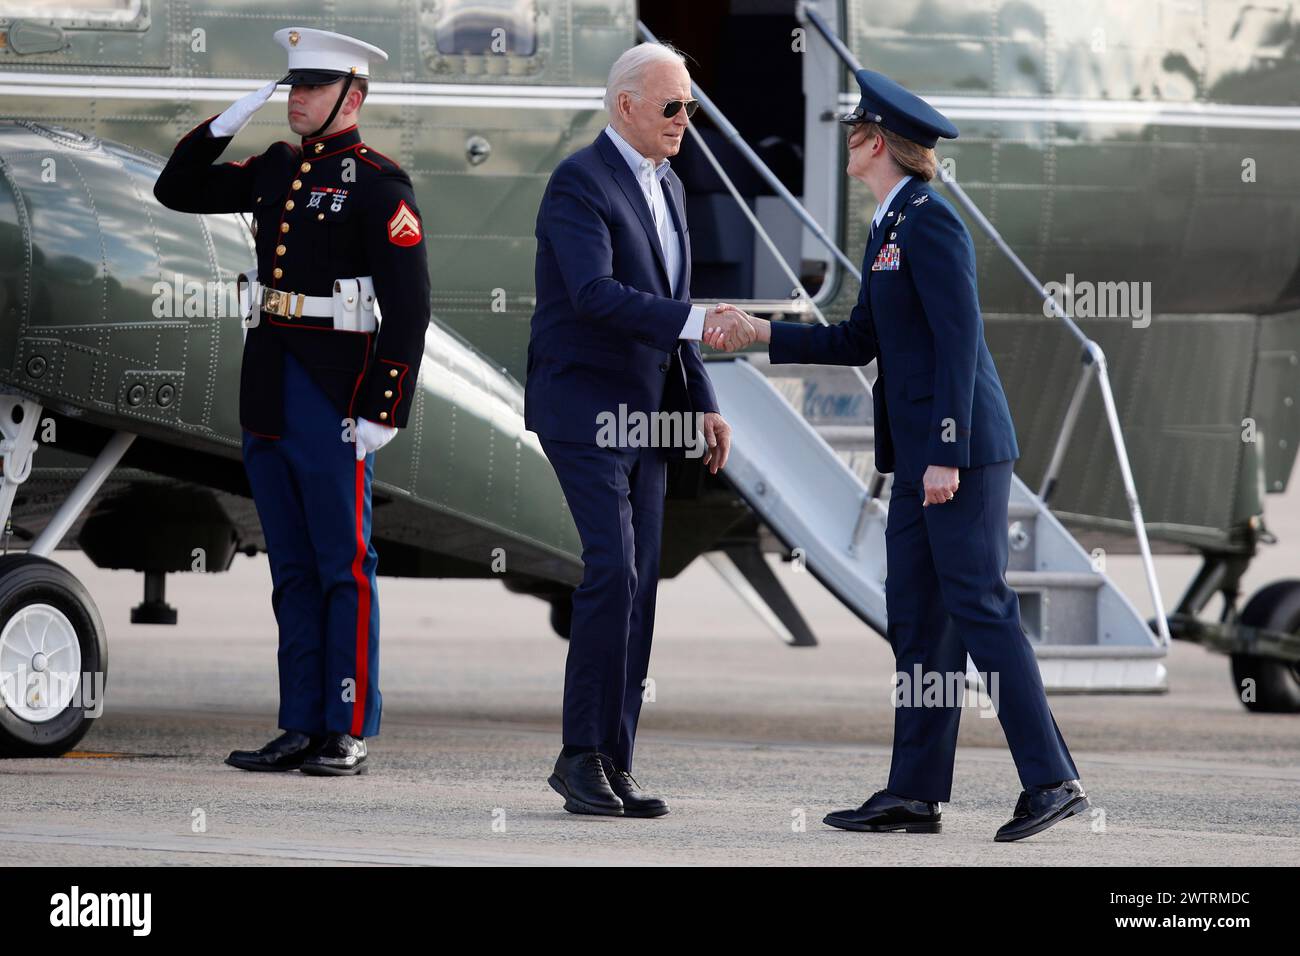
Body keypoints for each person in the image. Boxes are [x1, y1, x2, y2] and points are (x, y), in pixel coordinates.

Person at [708, 69, 1088, 842]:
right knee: (918, 624)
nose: (846, 142)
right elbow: (858, 340)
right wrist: (761, 332)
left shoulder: (930, 222)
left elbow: (959, 341)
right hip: (919, 460)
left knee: (982, 608)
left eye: (854, 132)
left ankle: (1052, 781)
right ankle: (914, 792)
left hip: (960, 455)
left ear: (875, 143)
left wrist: (946, 449)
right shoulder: (889, 225)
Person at [153, 27, 431, 776]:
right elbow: (175, 189)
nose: (296, 98)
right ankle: (300, 722)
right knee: (292, 567)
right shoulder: (275, 167)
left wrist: (384, 404)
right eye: (290, 87)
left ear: (353, 95)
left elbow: (408, 308)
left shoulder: (379, 185)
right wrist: (225, 120)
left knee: (344, 563)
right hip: (271, 383)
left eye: (311, 87)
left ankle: (347, 724)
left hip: (335, 390)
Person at [524, 42, 750, 817]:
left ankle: (614, 759)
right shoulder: (578, 183)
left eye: (690, 106)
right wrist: (697, 319)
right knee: (611, 570)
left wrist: (705, 400)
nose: (685, 120)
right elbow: (594, 293)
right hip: (583, 409)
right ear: (625, 106)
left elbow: (671, 308)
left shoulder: (673, 186)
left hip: (649, 415)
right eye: (671, 106)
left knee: (640, 582)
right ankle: (578, 754)